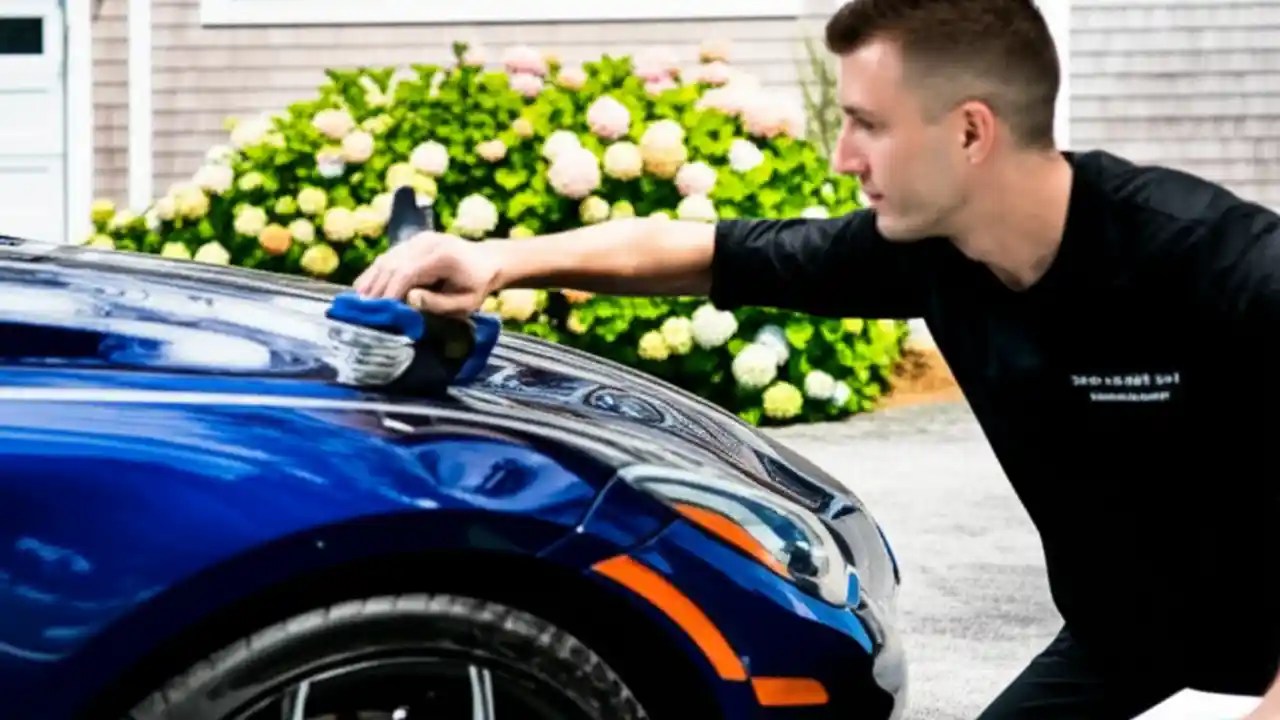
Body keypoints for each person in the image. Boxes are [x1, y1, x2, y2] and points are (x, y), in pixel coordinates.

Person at [354, 0, 1280, 716]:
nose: (842, 155)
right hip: (1124, 634)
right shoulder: (928, 252)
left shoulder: (1211, 260)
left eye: (868, 123)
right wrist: (498, 260)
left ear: (969, 131)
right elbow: (707, 252)